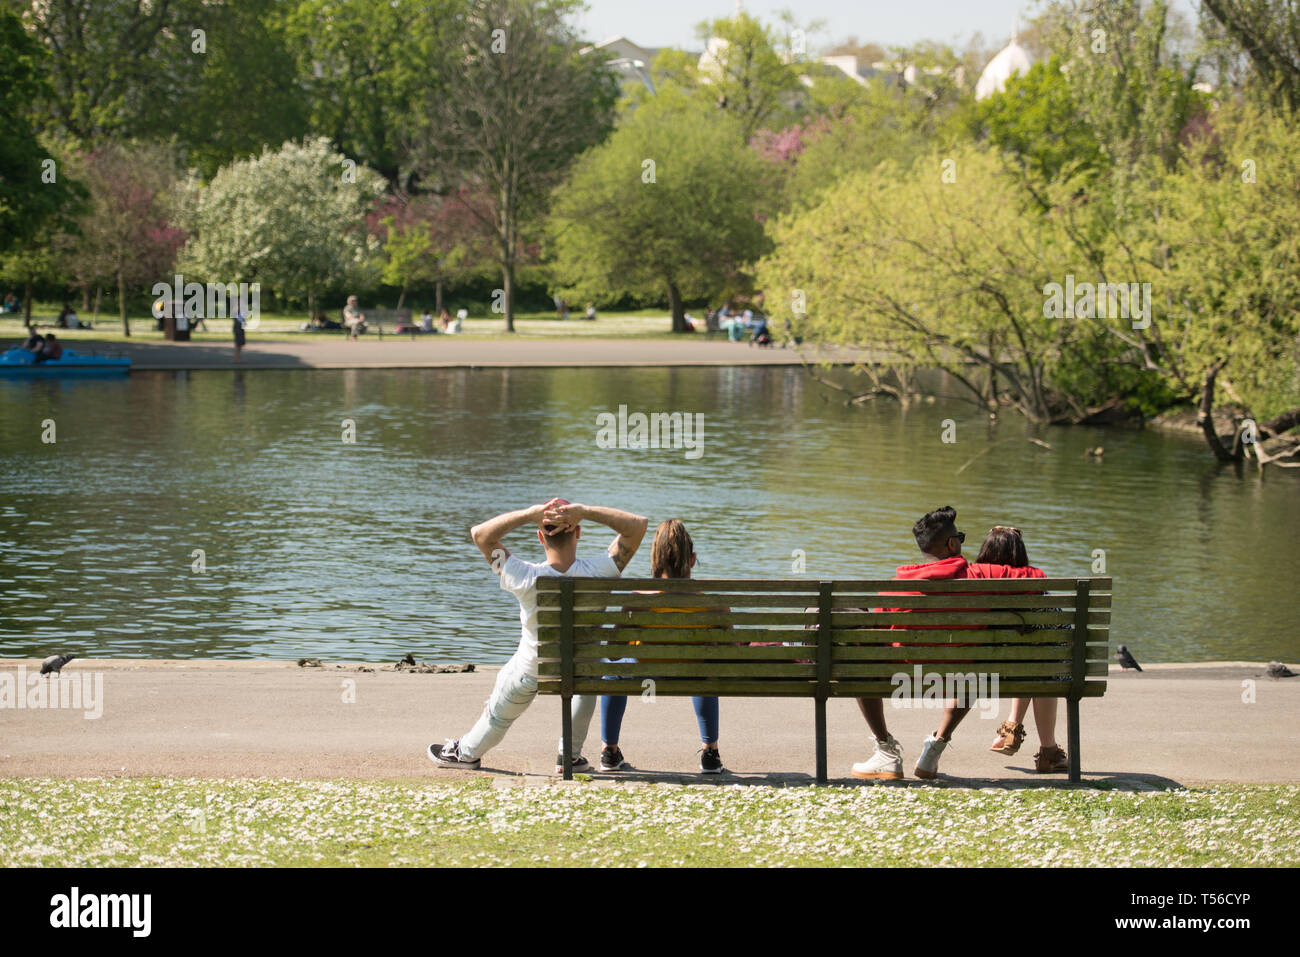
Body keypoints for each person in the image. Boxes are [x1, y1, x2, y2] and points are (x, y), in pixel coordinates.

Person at [431, 498, 648, 773]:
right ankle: (569, 756)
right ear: (578, 532)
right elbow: (638, 526)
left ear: (539, 536)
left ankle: (465, 753)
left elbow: (480, 535)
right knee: (584, 675)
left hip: (531, 672)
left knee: (502, 708)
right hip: (582, 673)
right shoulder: (601, 571)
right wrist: (586, 512)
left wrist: (530, 514)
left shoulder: (524, 577)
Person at [852, 506, 973, 780]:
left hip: (902, 676)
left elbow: (877, 634)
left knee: (862, 663)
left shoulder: (897, 588)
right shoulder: (977, 583)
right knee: (976, 658)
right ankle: (935, 749)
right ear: (952, 544)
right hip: (967, 675)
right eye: (961, 538)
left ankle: (886, 751)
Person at [598, 519, 727, 774]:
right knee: (707, 669)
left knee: (612, 674)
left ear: (654, 560)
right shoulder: (713, 602)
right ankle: (710, 753)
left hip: (646, 672)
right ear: (692, 560)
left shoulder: (637, 600)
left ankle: (609, 752)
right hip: (694, 673)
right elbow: (728, 648)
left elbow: (613, 654)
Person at [971, 526, 1069, 773]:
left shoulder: (973, 587)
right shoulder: (1036, 588)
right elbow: (1064, 633)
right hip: (1029, 670)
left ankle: (1012, 730)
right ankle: (1049, 751)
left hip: (979, 672)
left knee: (1029, 663)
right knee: (1040, 665)